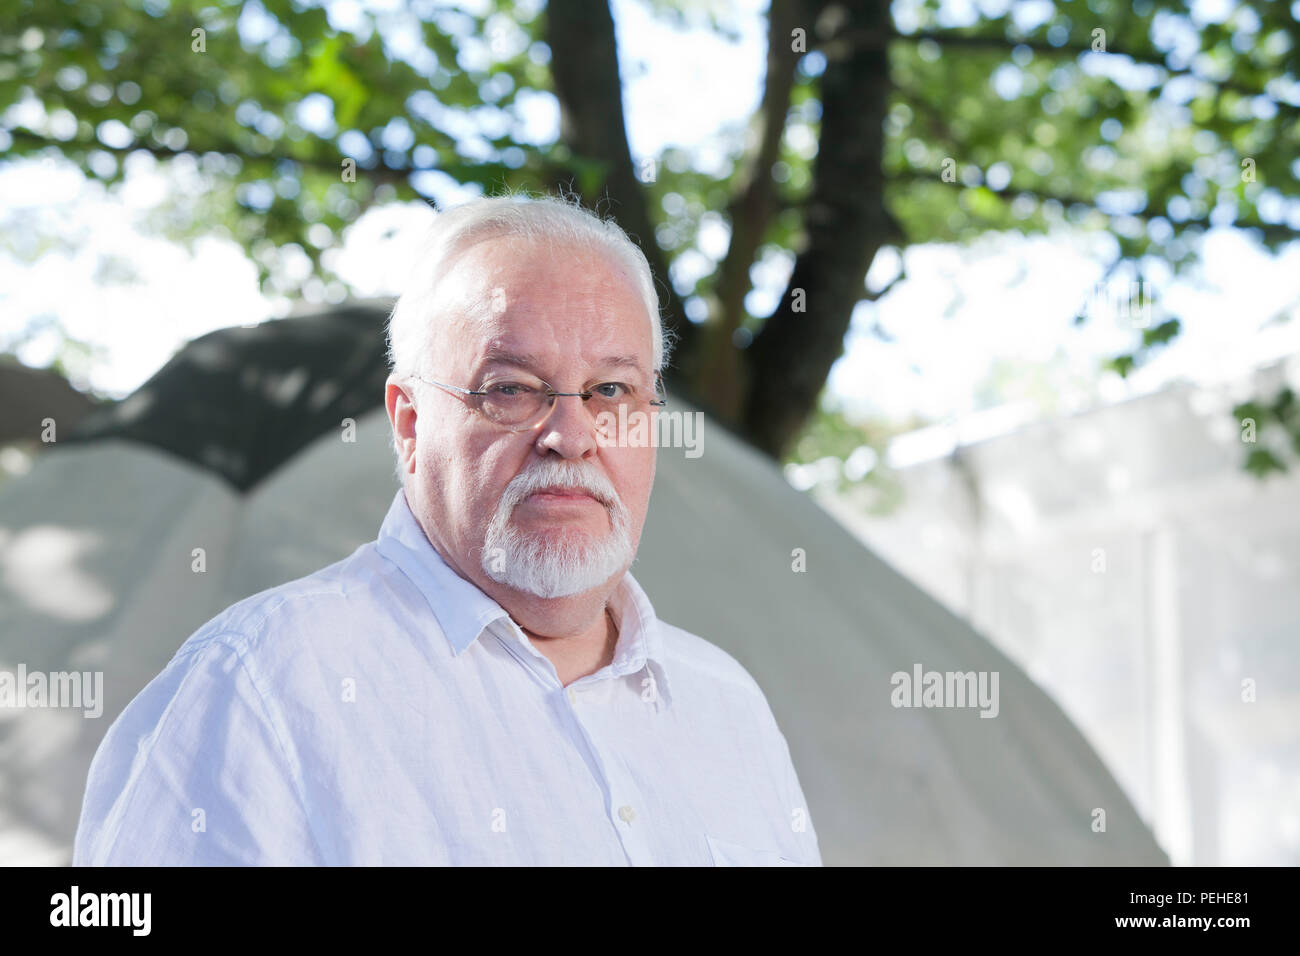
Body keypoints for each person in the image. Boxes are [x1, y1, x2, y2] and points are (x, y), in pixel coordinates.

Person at [73, 193, 822, 866]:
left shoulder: (727, 706)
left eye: (610, 390)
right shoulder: (259, 686)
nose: (572, 433)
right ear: (408, 422)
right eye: (510, 389)